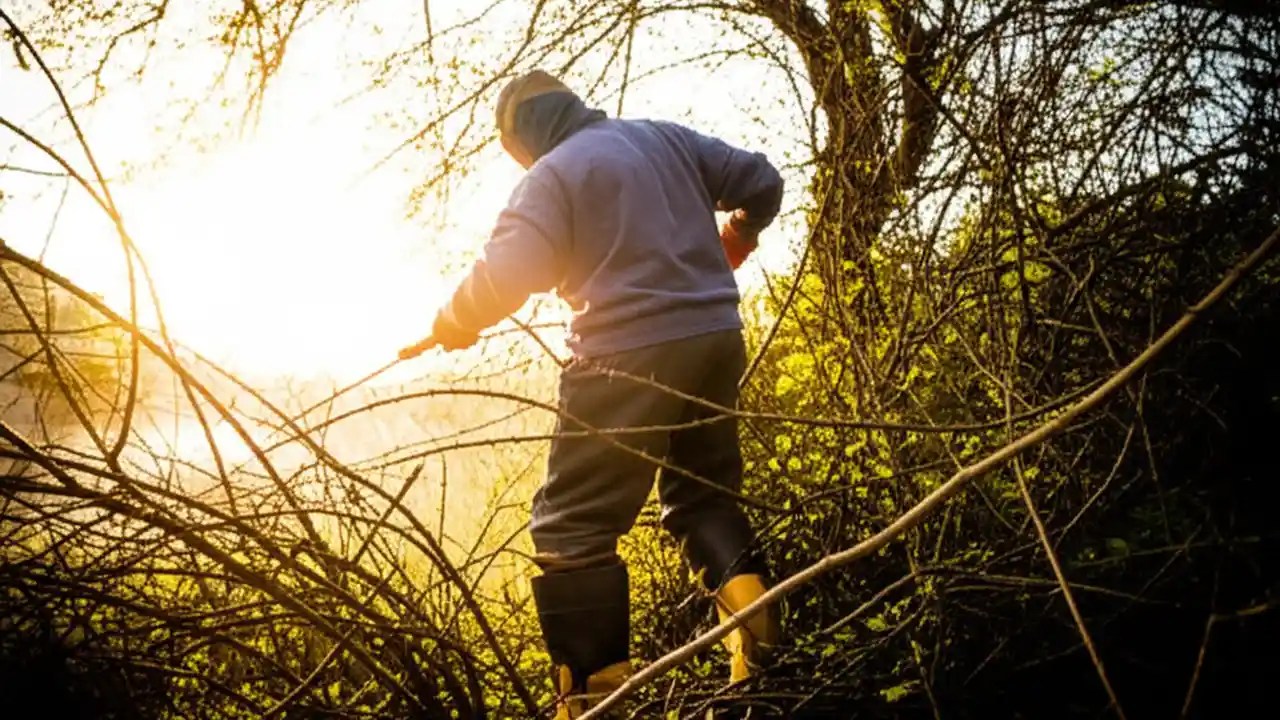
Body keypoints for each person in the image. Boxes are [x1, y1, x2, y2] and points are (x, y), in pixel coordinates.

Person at [399, 69, 784, 718]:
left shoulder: (552, 176)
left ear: (524, 135)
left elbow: (508, 275)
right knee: (703, 498)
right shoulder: (665, 138)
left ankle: (596, 706)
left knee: (572, 528)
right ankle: (760, 640)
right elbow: (763, 183)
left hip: (625, 359)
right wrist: (737, 238)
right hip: (717, 338)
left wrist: (455, 323)